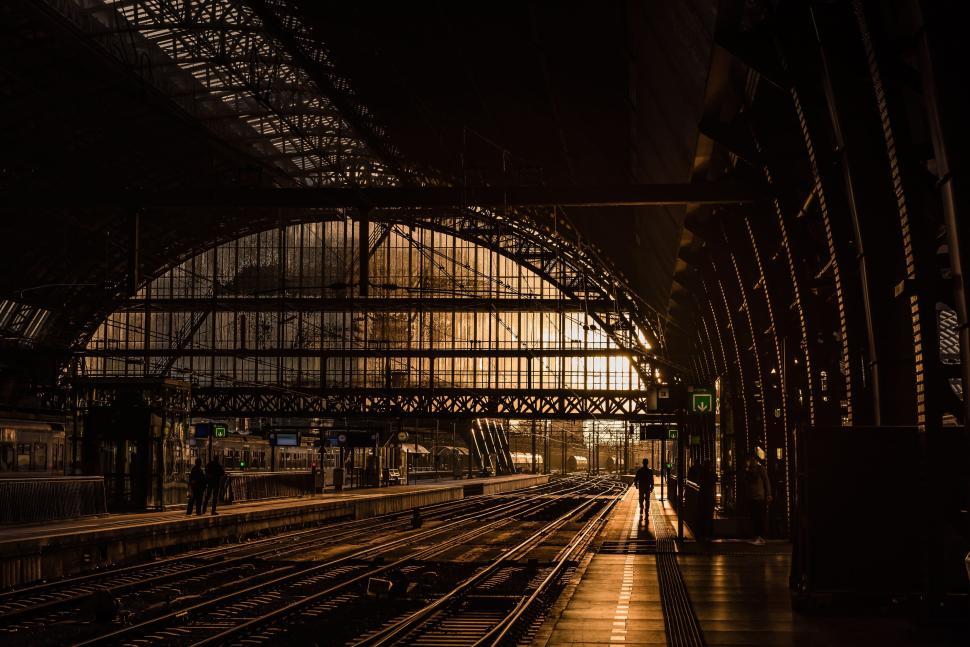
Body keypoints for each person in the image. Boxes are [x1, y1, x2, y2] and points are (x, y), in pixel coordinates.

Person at [744, 452, 771, 545]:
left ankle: (761, 537)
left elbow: (766, 482)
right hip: (753, 497)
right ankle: (756, 536)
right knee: (754, 518)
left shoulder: (760, 469)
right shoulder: (749, 471)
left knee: (759, 518)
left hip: (759, 497)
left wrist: (768, 494)